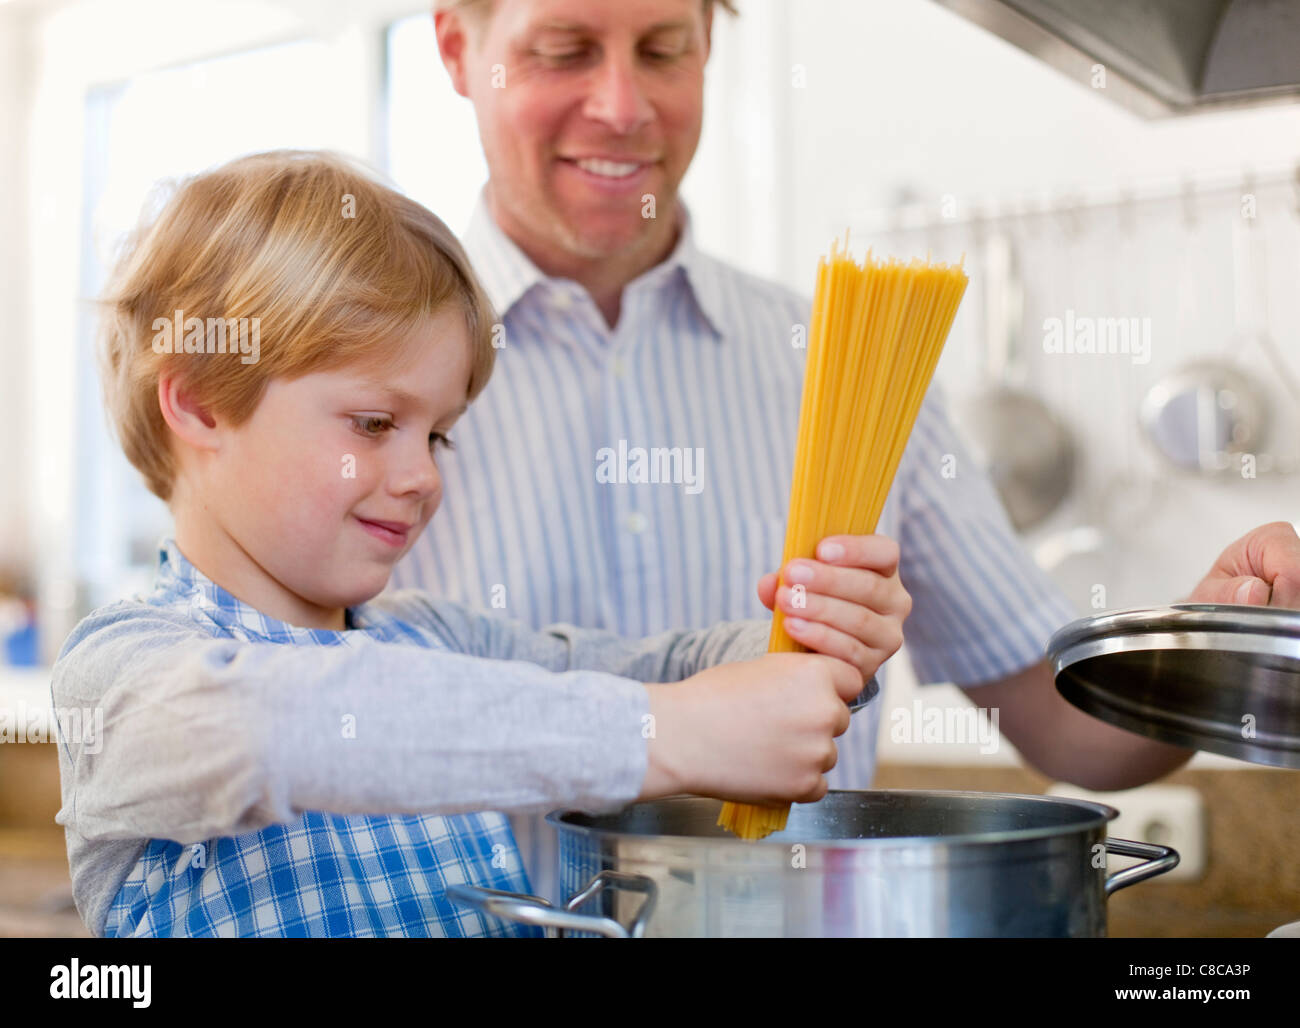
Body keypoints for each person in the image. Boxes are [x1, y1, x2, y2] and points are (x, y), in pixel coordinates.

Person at [400, 0, 1300, 904]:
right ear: (457, 48)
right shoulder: (371, 379)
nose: (623, 106)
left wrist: (1203, 642)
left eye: (664, 49)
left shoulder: (854, 365)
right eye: (564, 51)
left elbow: (1075, 735)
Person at [51, 150, 909, 936]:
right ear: (199, 403)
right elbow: (274, 725)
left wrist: (813, 640)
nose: (422, 476)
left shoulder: (437, 638)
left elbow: (661, 671)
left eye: (439, 435)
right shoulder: (122, 673)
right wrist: (669, 734)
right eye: (375, 422)